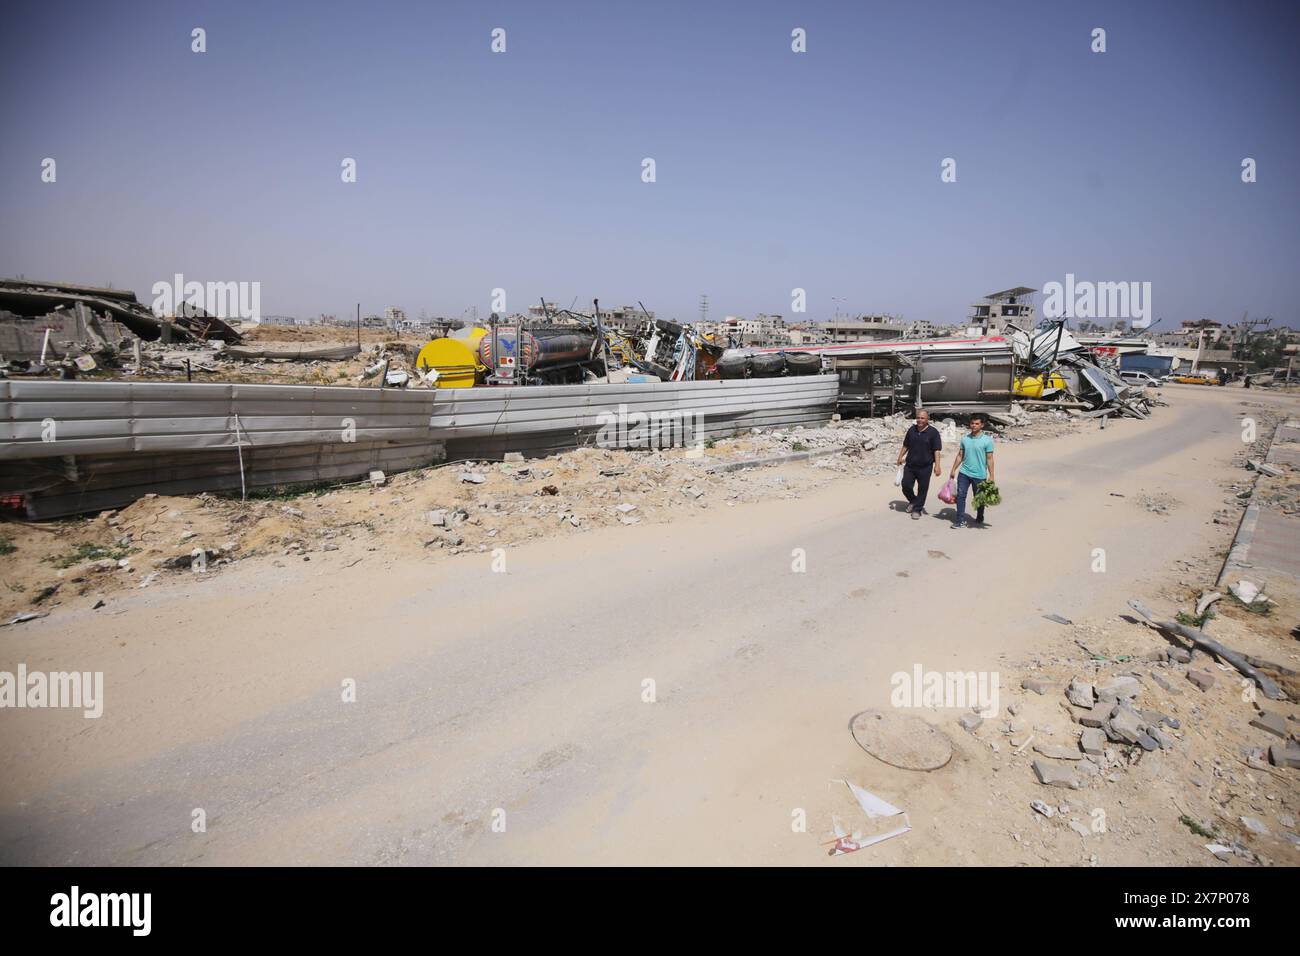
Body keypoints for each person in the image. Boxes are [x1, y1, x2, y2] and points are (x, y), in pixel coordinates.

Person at [948, 413, 995, 529]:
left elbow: (989, 459)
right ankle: (960, 521)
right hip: (964, 472)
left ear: (982, 425)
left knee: (978, 498)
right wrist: (953, 469)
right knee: (960, 496)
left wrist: (992, 475)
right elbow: (960, 455)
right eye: (972, 423)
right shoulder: (965, 439)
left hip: (979, 475)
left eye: (977, 424)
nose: (974, 426)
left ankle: (980, 515)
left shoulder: (987, 440)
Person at [895, 410, 942, 520]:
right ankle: (914, 501)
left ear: (927, 419)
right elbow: (906, 445)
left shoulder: (933, 433)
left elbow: (937, 450)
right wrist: (900, 456)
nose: (920, 420)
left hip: (925, 466)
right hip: (910, 465)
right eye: (918, 418)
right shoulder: (912, 430)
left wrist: (937, 466)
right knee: (905, 485)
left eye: (922, 418)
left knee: (922, 489)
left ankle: (917, 509)